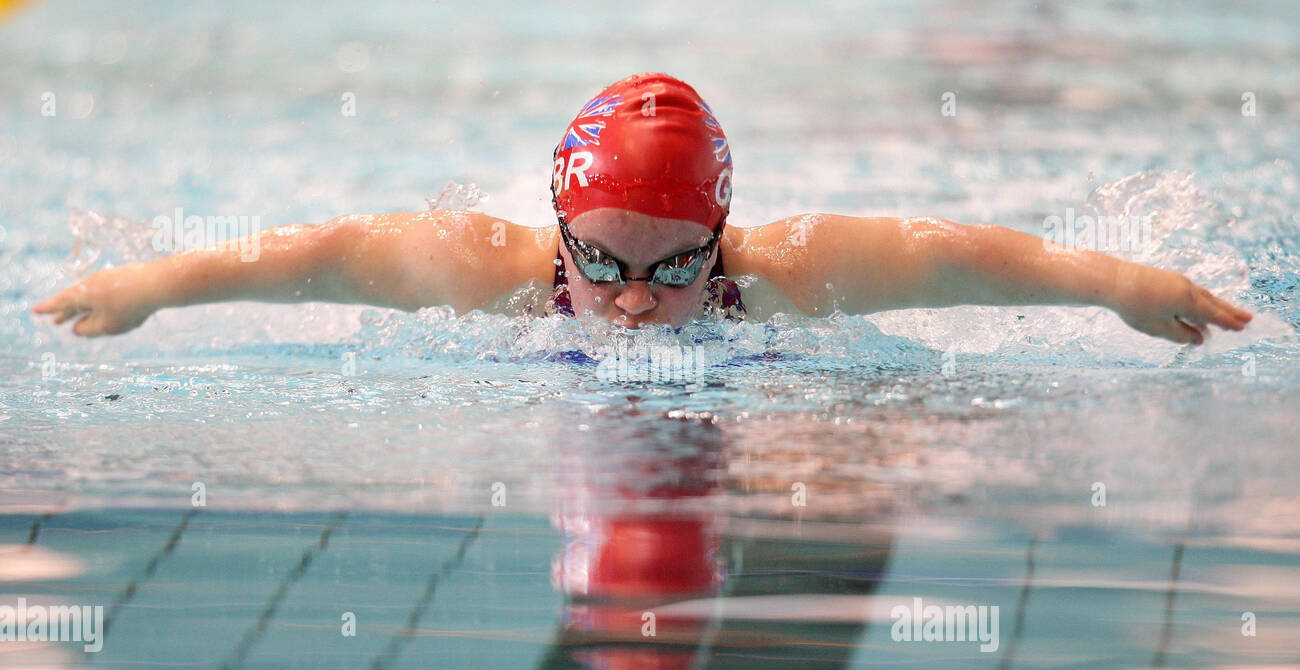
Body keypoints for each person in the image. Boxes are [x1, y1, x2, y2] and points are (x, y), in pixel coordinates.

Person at [34, 72, 1252, 343]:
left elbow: (964, 259)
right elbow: (314, 256)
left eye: (674, 271)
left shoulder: (786, 267)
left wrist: (1118, 283)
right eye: (600, 263)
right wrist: (151, 285)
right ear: (554, 231)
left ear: (718, 240)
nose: (625, 303)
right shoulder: (480, 266)